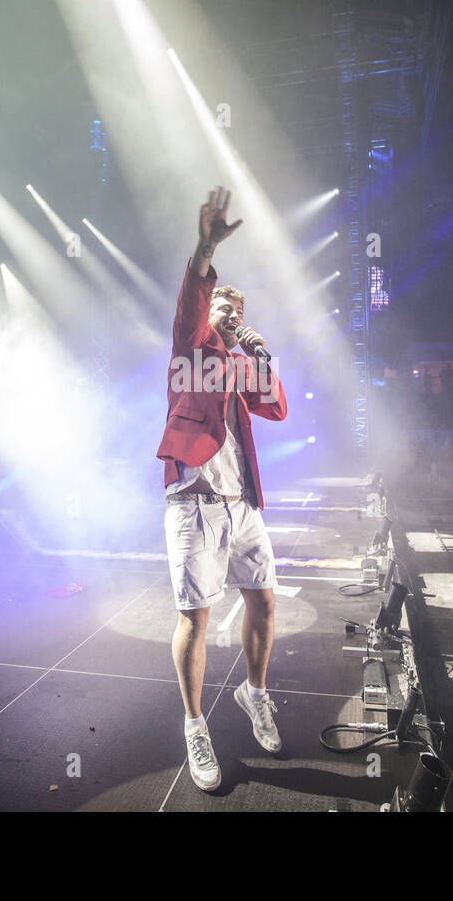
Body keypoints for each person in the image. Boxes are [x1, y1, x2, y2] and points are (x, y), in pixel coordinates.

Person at [157, 186, 288, 792]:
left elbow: (278, 409)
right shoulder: (192, 348)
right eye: (222, 311)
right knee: (196, 617)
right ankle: (194, 727)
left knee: (263, 602)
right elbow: (192, 305)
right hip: (196, 505)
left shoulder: (237, 364)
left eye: (239, 312)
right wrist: (206, 247)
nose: (230, 317)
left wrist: (261, 354)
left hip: (243, 506)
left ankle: (252, 692)